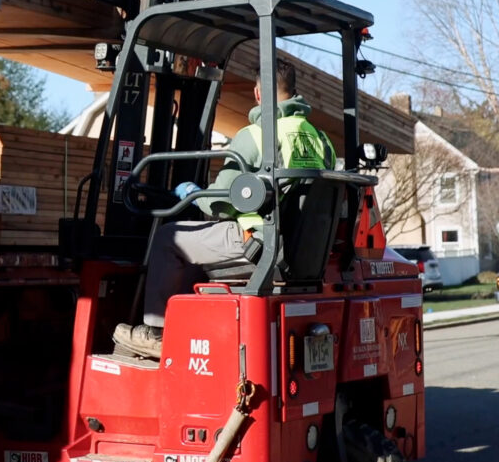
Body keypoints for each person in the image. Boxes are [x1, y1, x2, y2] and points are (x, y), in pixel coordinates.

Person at [114, 62, 337, 359]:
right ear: (294, 91)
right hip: (301, 250)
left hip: (255, 241)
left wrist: (195, 195)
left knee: (169, 238)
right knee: (192, 249)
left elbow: (224, 200)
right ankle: (188, 322)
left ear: (258, 93)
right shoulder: (321, 140)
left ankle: (156, 334)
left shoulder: (257, 136)